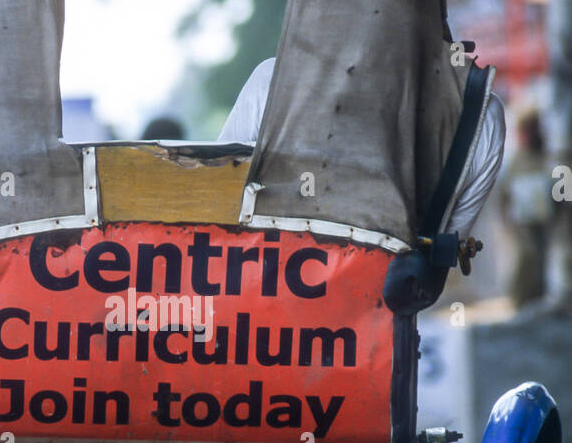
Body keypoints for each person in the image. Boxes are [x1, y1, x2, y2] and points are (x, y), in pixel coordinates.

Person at [217, 57, 506, 241]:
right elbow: (439, 265)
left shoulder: (271, 82)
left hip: (269, 318)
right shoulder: (482, 114)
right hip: (381, 324)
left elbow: (217, 211)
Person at [499, 109, 555, 308]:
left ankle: (541, 301)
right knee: (524, 261)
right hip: (522, 225)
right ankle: (521, 301)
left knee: (544, 262)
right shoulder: (516, 162)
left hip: (545, 225)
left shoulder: (547, 159)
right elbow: (504, 194)